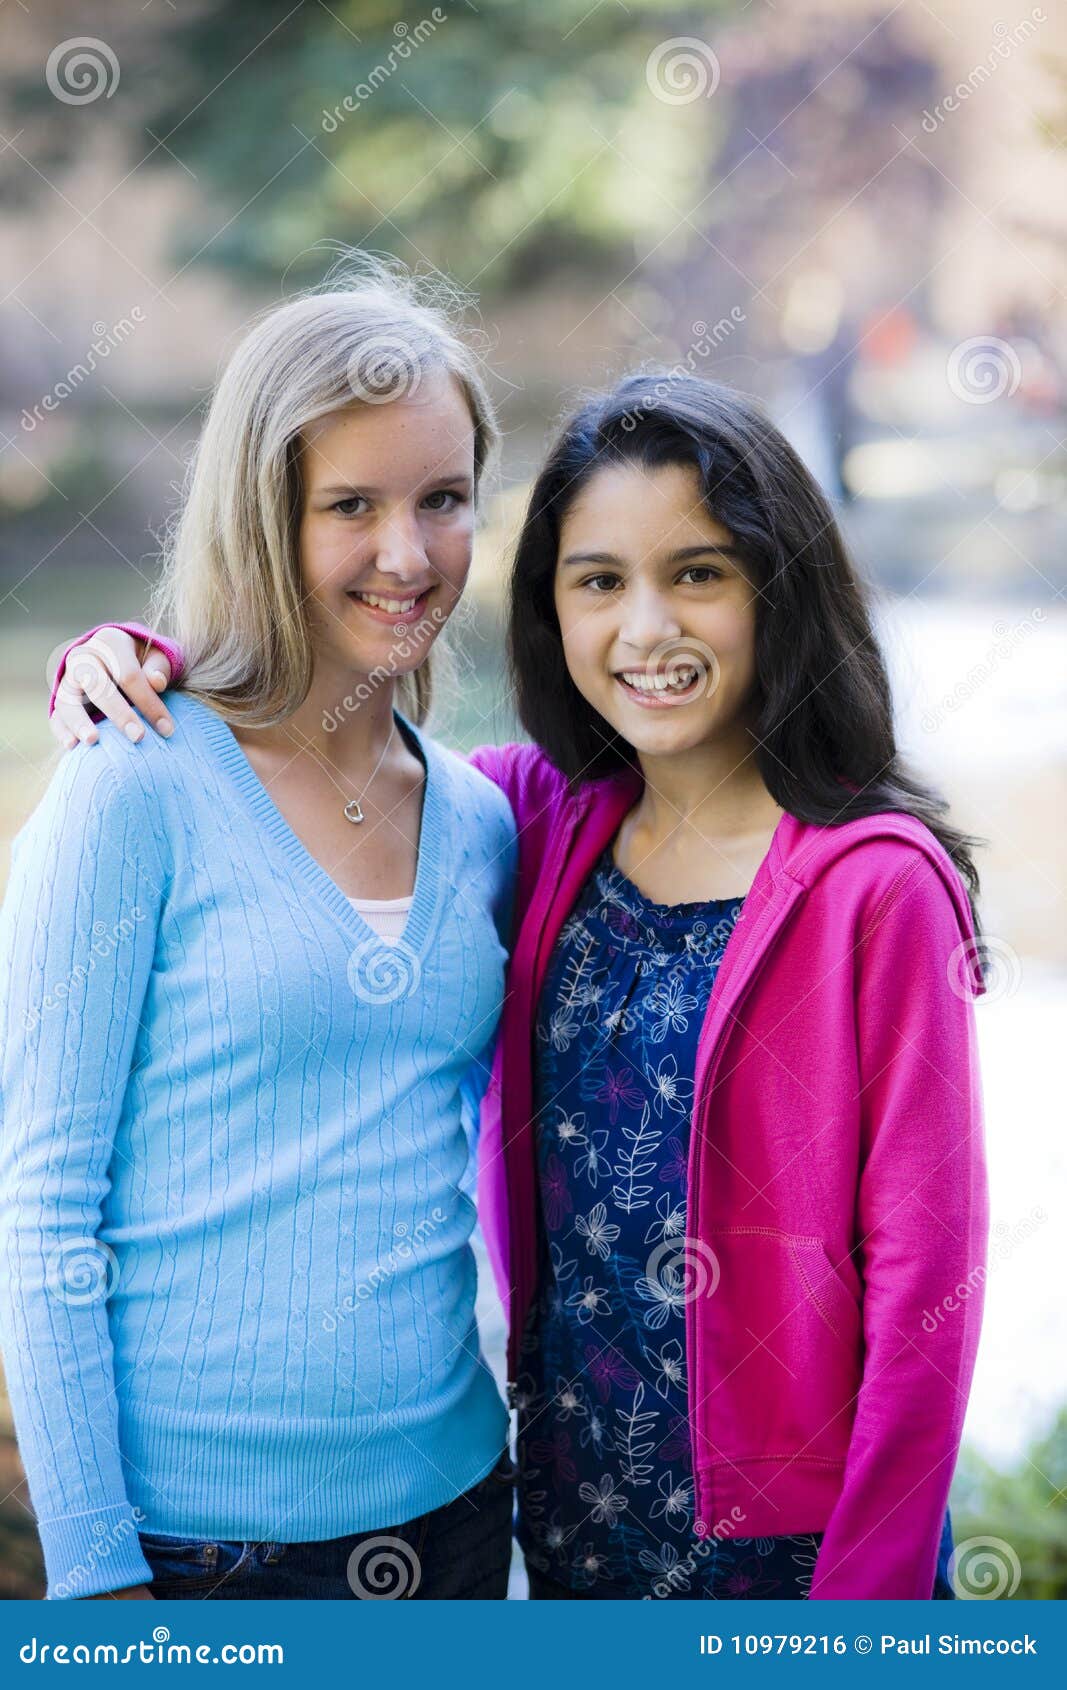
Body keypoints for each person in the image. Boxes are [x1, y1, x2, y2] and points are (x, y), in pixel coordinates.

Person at [43, 373, 989, 1601]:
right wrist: (141, 662)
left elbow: (927, 1284)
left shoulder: (876, 889)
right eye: (597, 581)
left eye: (697, 572)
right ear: (549, 607)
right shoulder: (530, 819)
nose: (644, 627)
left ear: (778, 586)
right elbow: (317, 770)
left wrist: (868, 1608)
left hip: (788, 1548)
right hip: (563, 1517)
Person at [0, 261, 518, 1601]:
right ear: (263, 515)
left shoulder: (480, 820)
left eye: (441, 498)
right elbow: (43, 1199)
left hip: (459, 1508)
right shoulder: (132, 784)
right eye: (351, 505)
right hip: (202, 1551)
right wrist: (93, 1568)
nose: (408, 555)